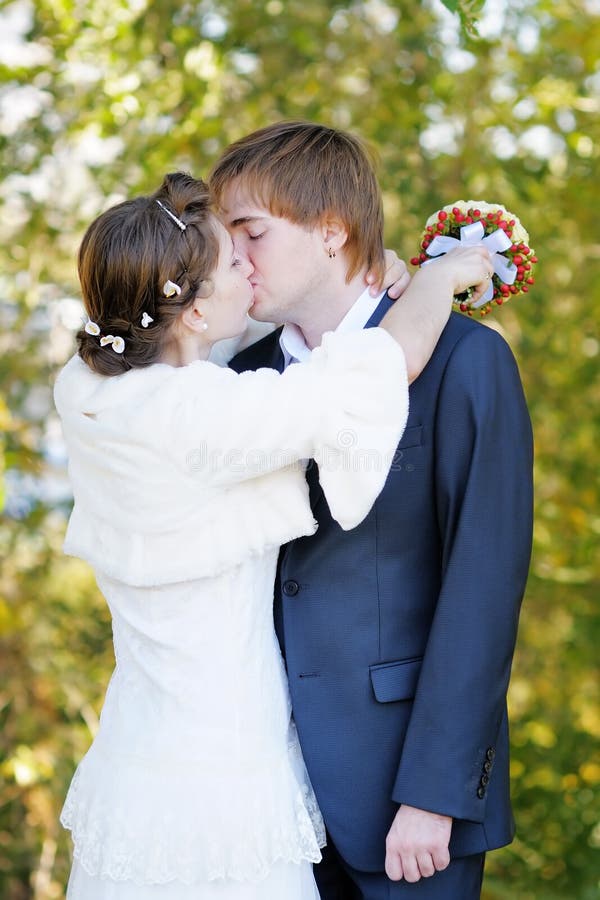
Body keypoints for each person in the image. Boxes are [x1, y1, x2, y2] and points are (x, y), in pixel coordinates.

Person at [55, 170, 493, 900]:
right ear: (193, 312)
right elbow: (377, 371)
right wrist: (436, 280)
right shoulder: (208, 417)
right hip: (223, 780)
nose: (249, 269)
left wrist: (354, 272)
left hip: (138, 760)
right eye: (234, 261)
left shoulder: (92, 386)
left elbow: (222, 338)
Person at [210, 120, 535, 900]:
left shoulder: (466, 362)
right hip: (257, 795)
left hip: (405, 802)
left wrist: (437, 793)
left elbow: (483, 590)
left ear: (332, 232)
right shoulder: (238, 377)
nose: (232, 257)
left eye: (250, 232)